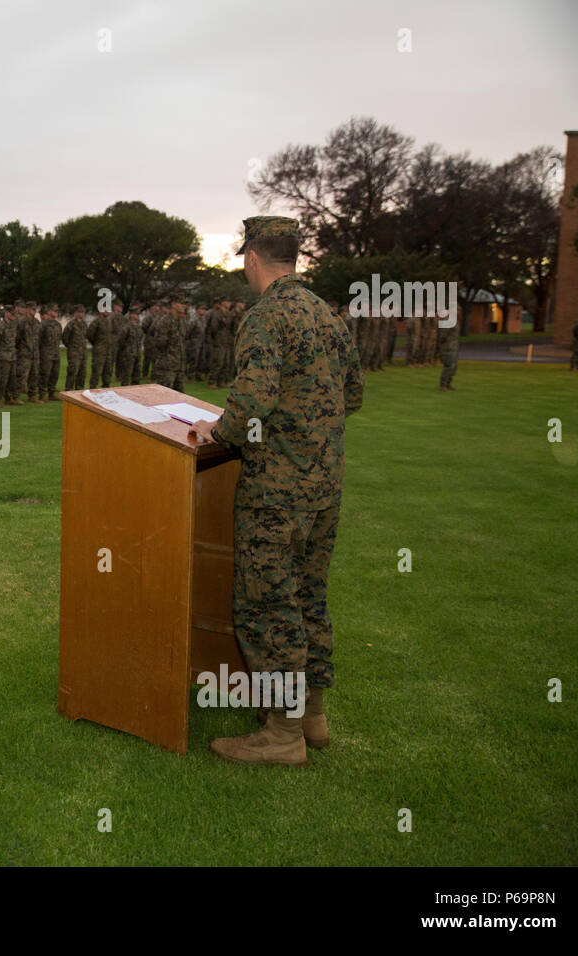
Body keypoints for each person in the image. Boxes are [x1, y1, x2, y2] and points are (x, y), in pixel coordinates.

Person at [188, 216, 362, 767]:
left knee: (269, 604)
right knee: (309, 597)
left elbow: (251, 402)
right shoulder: (328, 316)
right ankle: (312, 716)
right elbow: (353, 395)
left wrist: (220, 431)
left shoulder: (267, 317)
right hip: (324, 487)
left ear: (252, 259)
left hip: (276, 494)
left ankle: (281, 735)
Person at [37, 303, 63, 400]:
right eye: (54, 310)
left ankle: (51, 394)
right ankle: (42, 395)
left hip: (56, 354)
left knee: (54, 374)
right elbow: (38, 339)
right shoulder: (43, 324)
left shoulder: (58, 325)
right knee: (44, 375)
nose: (56, 312)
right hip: (46, 354)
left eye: (57, 311)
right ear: (48, 312)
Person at [61, 304, 88, 392]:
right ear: (76, 313)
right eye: (80, 312)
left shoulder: (84, 324)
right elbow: (65, 337)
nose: (82, 314)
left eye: (83, 312)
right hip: (74, 353)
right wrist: (71, 347)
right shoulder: (71, 324)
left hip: (83, 353)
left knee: (82, 373)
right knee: (72, 372)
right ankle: (68, 390)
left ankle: (79, 390)